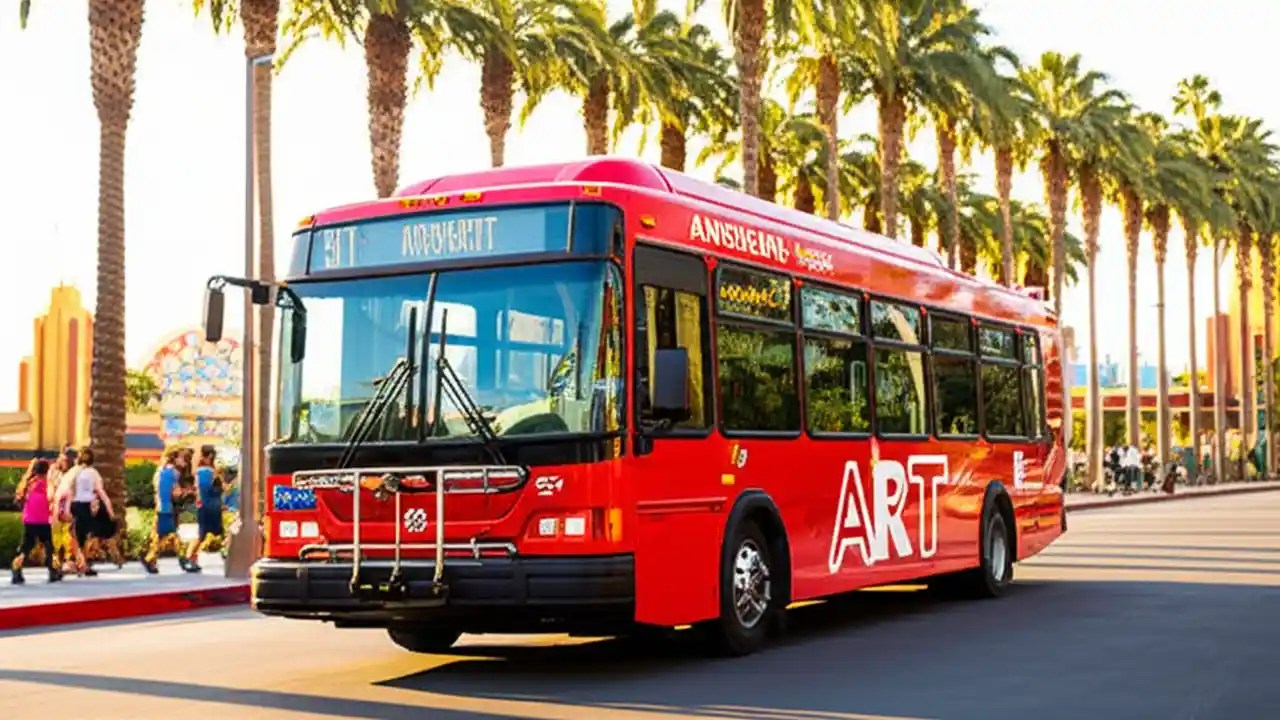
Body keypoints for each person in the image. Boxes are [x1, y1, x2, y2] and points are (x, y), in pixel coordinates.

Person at [54, 446, 114, 577]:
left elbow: (67, 492)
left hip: (75, 506)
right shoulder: (93, 473)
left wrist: (66, 509)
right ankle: (81, 564)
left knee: (76, 536)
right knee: (84, 537)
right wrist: (109, 509)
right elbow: (101, 492)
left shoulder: (73, 472)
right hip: (86, 508)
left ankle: (80, 564)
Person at [142, 447, 194, 574]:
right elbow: (176, 493)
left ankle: (151, 559)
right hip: (168, 508)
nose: (186, 463)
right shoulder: (174, 473)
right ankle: (182, 560)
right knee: (171, 535)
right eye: (184, 459)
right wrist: (187, 492)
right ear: (175, 458)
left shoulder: (161, 470)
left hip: (160, 507)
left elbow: (158, 490)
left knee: (162, 536)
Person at [11, 459, 62, 584]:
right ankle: (53, 571)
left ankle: (16, 571)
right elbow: (51, 498)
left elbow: (20, 500)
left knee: (25, 548)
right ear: (46, 470)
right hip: (43, 521)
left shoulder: (28, 484)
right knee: (49, 548)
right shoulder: (46, 483)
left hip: (29, 520)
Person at [184, 445, 223, 573]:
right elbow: (210, 489)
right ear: (210, 455)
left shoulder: (200, 471)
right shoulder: (208, 472)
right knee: (206, 534)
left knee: (205, 534)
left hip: (206, 506)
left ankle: (191, 558)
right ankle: (190, 557)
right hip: (210, 507)